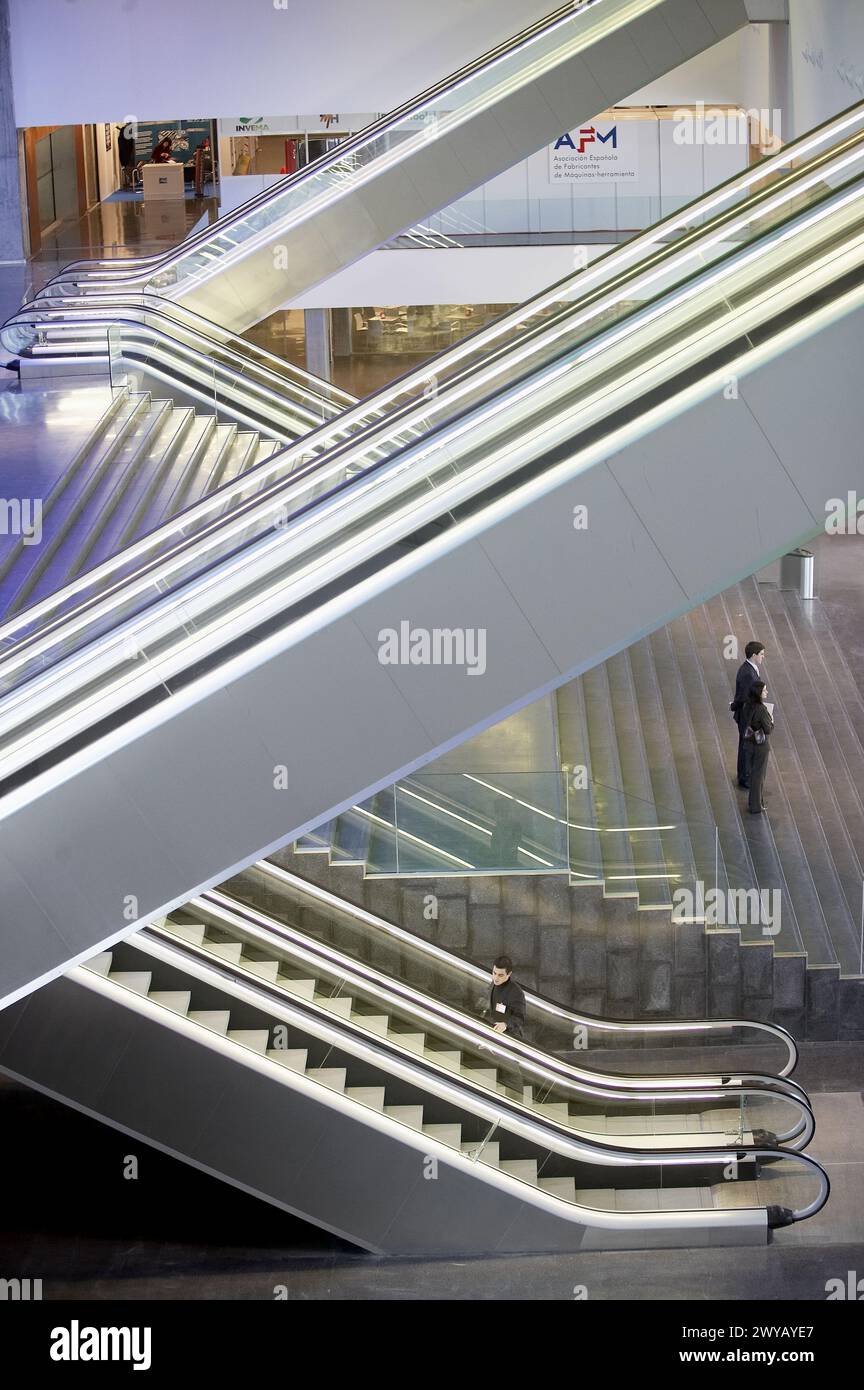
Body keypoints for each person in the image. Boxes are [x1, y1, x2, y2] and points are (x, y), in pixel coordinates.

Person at [730, 640, 765, 789]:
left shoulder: (750, 670)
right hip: (746, 716)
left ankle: (744, 774)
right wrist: (734, 706)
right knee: (746, 746)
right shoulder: (747, 674)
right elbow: (743, 696)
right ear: (754, 655)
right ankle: (744, 777)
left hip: (747, 714)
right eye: (761, 654)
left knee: (746, 745)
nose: (763, 657)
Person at [742, 679, 774, 815]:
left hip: (750, 744)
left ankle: (754, 803)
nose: (766, 691)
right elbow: (768, 728)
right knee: (759, 775)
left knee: (754, 773)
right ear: (758, 693)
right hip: (760, 746)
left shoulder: (747, 705)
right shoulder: (761, 709)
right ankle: (756, 805)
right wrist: (771, 721)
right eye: (764, 690)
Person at [487, 955, 526, 1039]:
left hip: (509, 1035)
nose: (495, 978)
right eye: (494, 973)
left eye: (500, 975)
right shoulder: (494, 983)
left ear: (509, 974)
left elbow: (519, 1018)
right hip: (494, 1030)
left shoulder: (516, 992)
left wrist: (505, 1025)